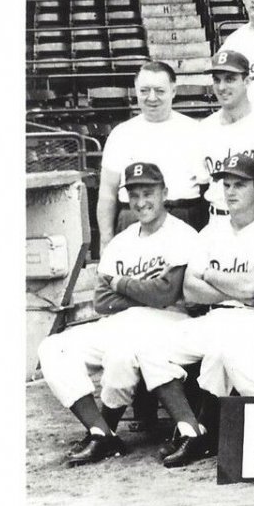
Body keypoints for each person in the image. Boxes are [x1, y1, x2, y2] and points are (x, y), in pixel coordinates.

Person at [38, 163, 206, 467]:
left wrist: (122, 284)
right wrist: (146, 289)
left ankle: (182, 431)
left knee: (123, 354)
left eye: (148, 193)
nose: (141, 202)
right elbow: (102, 301)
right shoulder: (122, 240)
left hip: (169, 321)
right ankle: (101, 432)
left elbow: (167, 294)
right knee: (53, 348)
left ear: (164, 193)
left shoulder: (182, 235)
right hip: (121, 321)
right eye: (134, 194)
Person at [147, 153, 254, 412]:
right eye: (227, 185)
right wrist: (235, 291)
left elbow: (253, 288)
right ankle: (189, 424)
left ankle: (206, 425)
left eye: (240, 185)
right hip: (216, 315)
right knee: (152, 349)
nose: (230, 192)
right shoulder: (211, 231)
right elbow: (190, 290)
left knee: (220, 352)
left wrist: (209, 275)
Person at [96, 60, 204, 246]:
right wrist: (106, 239)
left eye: (160, 91)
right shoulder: (121, 133)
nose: (152, 98)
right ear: (136, 91)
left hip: (182, 216)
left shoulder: (195, 130)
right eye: (144, 90)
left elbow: (208, 188)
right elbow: (107, 193)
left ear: (173, 91)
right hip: (133, 219)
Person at [194, 49, 254, 222]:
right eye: (217, 80)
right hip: (218, 219)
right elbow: (203, 185)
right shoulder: (204, 128)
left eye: (230, 79)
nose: (222, 87)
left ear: (247, 81)